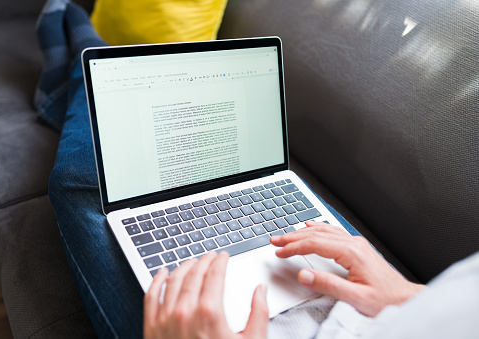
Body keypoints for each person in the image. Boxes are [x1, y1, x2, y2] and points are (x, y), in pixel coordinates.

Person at [36, 1, 479, 338]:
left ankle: (80, 54)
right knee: (265, 186)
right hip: (376, 302)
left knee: (86, 181)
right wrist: (408, 294)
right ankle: (82, 50)